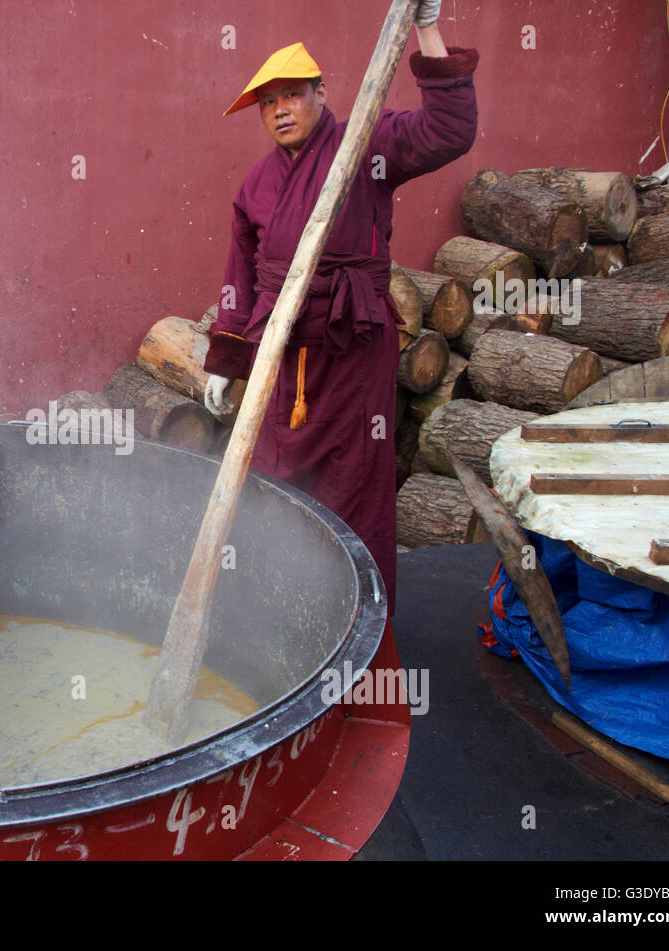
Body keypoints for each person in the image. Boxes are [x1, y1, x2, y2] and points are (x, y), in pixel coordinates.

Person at [201, 2, 477, 614]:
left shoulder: (365, 145)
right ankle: (281, 620)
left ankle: (355, 624)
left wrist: (427, 28)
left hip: (351, 357)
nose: (279, 111)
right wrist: (225, 358)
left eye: (292, 96)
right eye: (268, 103)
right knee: (274, 483)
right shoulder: (255, 185)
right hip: (282, 357)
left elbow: (449, 132)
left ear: (321, 94)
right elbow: (240, 276)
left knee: (354, 492)